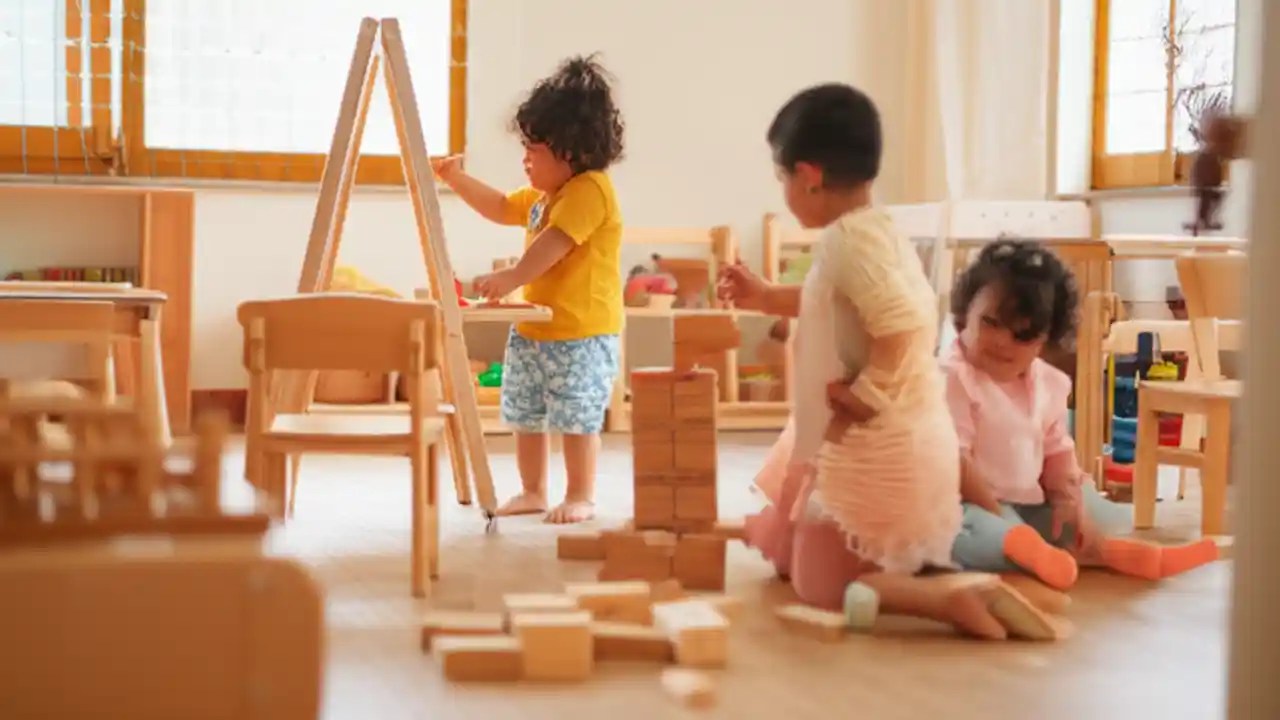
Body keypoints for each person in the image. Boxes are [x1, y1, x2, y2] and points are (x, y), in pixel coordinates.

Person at [718, 83, 1036, 640]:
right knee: (787, 555)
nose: (784, 191)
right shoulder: (874, 231)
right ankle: (920, 574)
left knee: (816, 586)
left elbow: (906, 323)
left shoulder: (847, 241)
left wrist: (866, 397)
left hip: (880, 457)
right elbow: (833, 302)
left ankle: (937, 598)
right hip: (897, 447)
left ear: (809, 176)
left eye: (782, 177)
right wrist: (765, 296)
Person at [944, 239, 1220, 584]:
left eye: (1023, 335)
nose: (1002, 341)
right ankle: (1034, 550)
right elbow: (955, 463)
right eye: (990, 322)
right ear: (964, 315)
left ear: (1045, 340)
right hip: (966, 502)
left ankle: (1111, 552)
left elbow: (1057, 453)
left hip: (1027, 504)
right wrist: (999, 516)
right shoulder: (954, 376)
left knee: (1094, 512)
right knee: (963, 532)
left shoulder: (1048, 383)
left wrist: (1068, 503)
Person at [432, 55, 625, 524]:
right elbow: (500, 206)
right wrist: (456, 178)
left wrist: (512, 278)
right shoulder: (543, 196)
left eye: (534, 151)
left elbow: (555, 244)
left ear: (571, 152)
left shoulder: (590, 191)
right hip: (535, 328)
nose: (526, 160)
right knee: (524, 412)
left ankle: (580, 494)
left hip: (581, 333)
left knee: (577, 418)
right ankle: (533, 490)